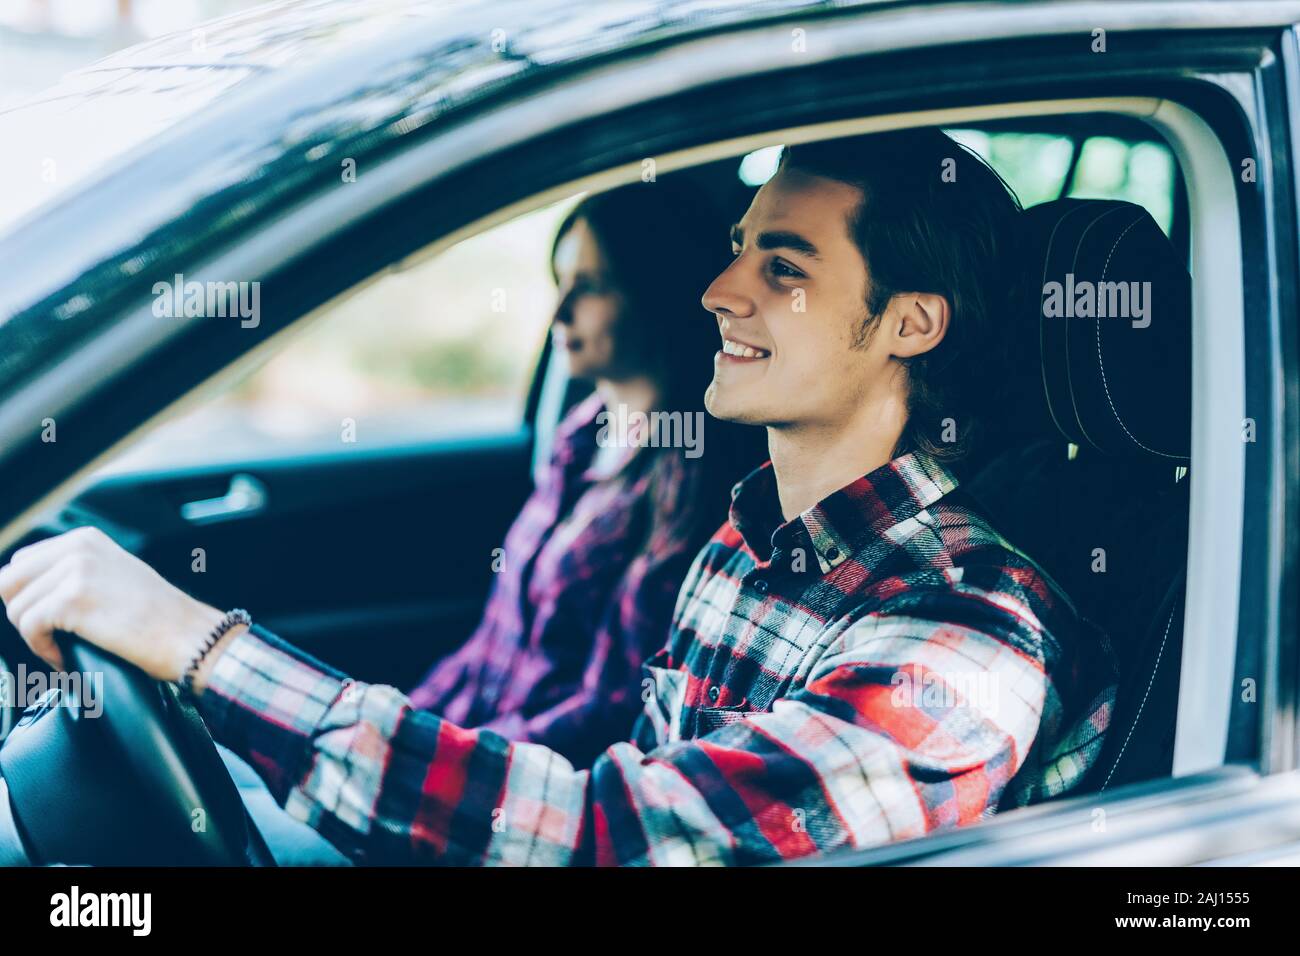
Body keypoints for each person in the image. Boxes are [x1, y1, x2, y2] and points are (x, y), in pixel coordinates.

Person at [0, 128, 1119, 866]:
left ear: (911, 324)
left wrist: (197, 643)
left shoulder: (966, 639)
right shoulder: (747, 544)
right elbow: (611, 780)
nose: (717, 291)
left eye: (782, 268)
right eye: (737, 250)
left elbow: (607, 839)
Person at [404, 182, 758, 770]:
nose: (559, 313)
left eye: (589, 288)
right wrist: (406, 724)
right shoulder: (577, 437)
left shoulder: (687, 476)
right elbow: (490, 645)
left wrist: (443, 765)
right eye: (559, 284)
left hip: (520, 781)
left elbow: (611, 705)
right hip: (470, 743)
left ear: (653, 293)